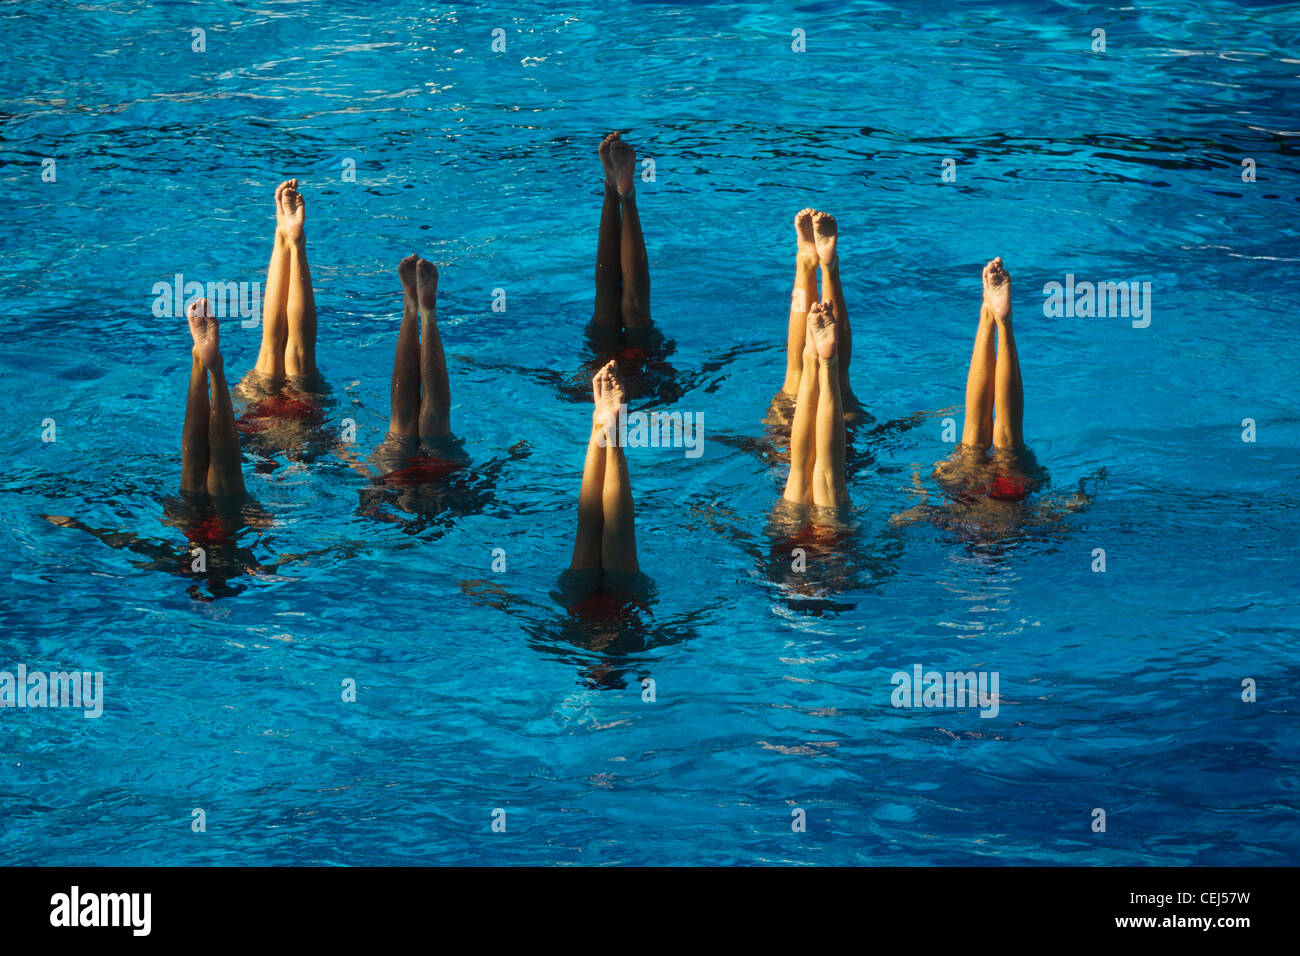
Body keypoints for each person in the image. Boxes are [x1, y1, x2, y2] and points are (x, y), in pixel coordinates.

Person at [44, 298, 284, 600]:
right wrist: (81, 526)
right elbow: (130, 543)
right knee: (194, 457)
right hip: (190, 520)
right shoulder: (185, 567)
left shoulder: (238, 567)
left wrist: (268, 540)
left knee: (223, 461)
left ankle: (211, 367)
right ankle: (201, 362)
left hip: (227, 519)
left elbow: (130, 542)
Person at [931, 256, 1040, 504]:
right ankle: (994, 317)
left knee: (1003, 436)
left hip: (995, 503)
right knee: (978, 431)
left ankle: (995, 318)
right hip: (980, 500)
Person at [236, 179, 329, 453]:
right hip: (264, 412)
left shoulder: (260, 466)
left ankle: (290, 241)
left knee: (298, 349)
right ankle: (284, 237)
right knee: (271, 344)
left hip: (291, 422)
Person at [555, 360, 653, 616]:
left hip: (595, 603)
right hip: (612, 602)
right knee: (596, 530)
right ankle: (604, 424)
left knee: (601, 530)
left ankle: (604, 423)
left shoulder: (572, 650)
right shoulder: (573, 651)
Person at [770, 209, 859, 422]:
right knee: (800, 377)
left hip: (798, 430)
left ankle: (814, 264)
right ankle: (815, 265)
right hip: (834, 423)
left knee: (815, 380)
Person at [781, 301, 851, 510]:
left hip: (809, 535)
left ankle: (816, 358)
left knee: (816, 475)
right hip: (793, 532)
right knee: (805, 473)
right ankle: (821, 362)